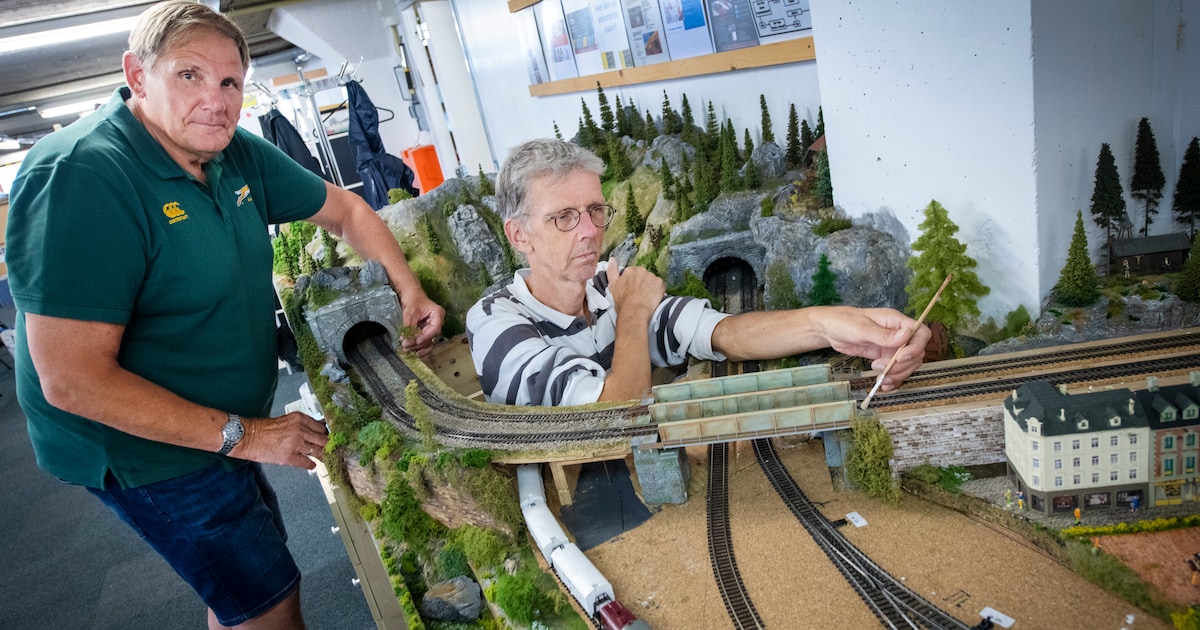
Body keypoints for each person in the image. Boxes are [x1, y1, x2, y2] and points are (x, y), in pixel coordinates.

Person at [5, 3, 444, 629]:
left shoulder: (233, 151)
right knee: (271, 604)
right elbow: (72, 379)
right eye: (189, 76)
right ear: (137, 74)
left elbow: (347, 210)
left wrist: (410, 291)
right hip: (147, 451)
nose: (216, 100)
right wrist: (249, 435)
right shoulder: (79, 176)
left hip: (222, 422)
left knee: (241, 590)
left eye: (230, 82)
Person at [466, 138, 930, 407]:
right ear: (518, 235)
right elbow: (612, 411)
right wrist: (631, 314)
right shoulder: (495, 322)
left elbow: (724, 332)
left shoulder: (609, 288)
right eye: (564, 217)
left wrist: (834, 323)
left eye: (595, 210)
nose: (589, 231)